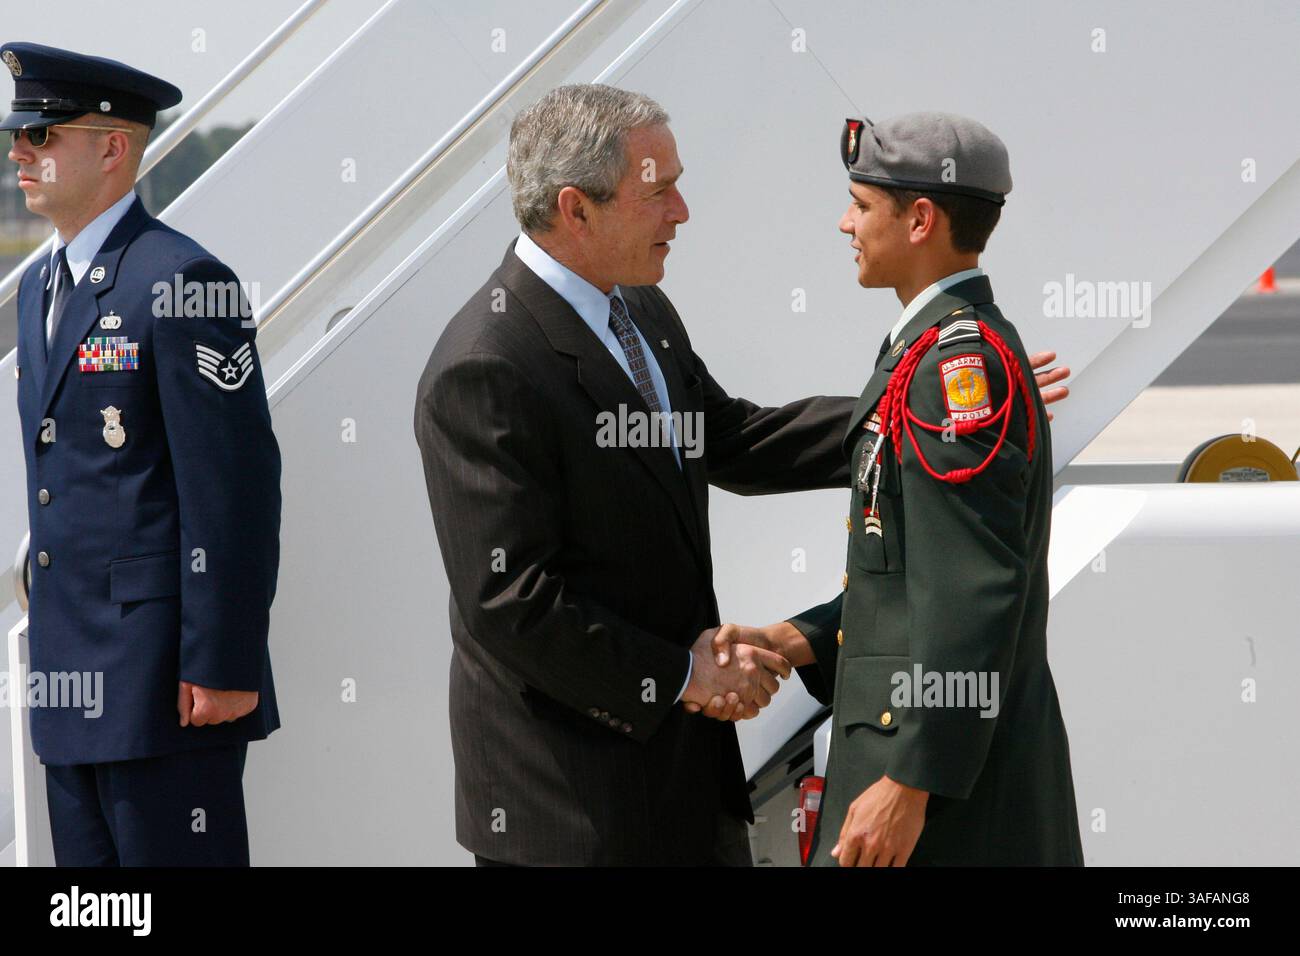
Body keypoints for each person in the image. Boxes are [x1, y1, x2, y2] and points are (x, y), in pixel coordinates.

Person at [413, 85, 1070, 866]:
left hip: (684, 788)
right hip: (572, 807)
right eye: (659, 192)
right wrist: (683, 673)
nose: (682, 211)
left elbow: (733, 437)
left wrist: (923, 399)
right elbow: (509, 603)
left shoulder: (639, 311)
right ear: (575, 209)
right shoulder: (487, 364)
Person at [722, 112, 1084, 866]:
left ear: (920, 218)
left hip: (936, 799)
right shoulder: (930, 351)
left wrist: (912, 782)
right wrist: (803, 638)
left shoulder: (953, 368)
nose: (843, 222)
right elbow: (912, 582)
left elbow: (975, 593)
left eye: (860, 204)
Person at [4, 42, 281, 866]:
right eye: (18, 136)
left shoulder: (184, 279)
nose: (20, 151)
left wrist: (225, 663)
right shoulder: (36, 290)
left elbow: (234, 489)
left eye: (43, 135)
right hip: (69, 686)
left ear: (112, 146)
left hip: (167, 688)